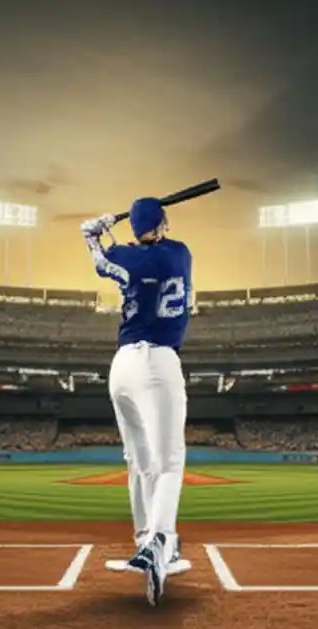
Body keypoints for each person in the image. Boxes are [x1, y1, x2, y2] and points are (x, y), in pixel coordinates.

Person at [81, 198, 192, 607]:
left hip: (122, 367)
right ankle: (159, 545)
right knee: (169, 463)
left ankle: (147, 539)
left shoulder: (123, 257)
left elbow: (99, 258)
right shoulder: (179, 253)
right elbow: (152, 245)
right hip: (159, 362)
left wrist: (94, 232)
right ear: (160, 224)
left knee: (139, 462)